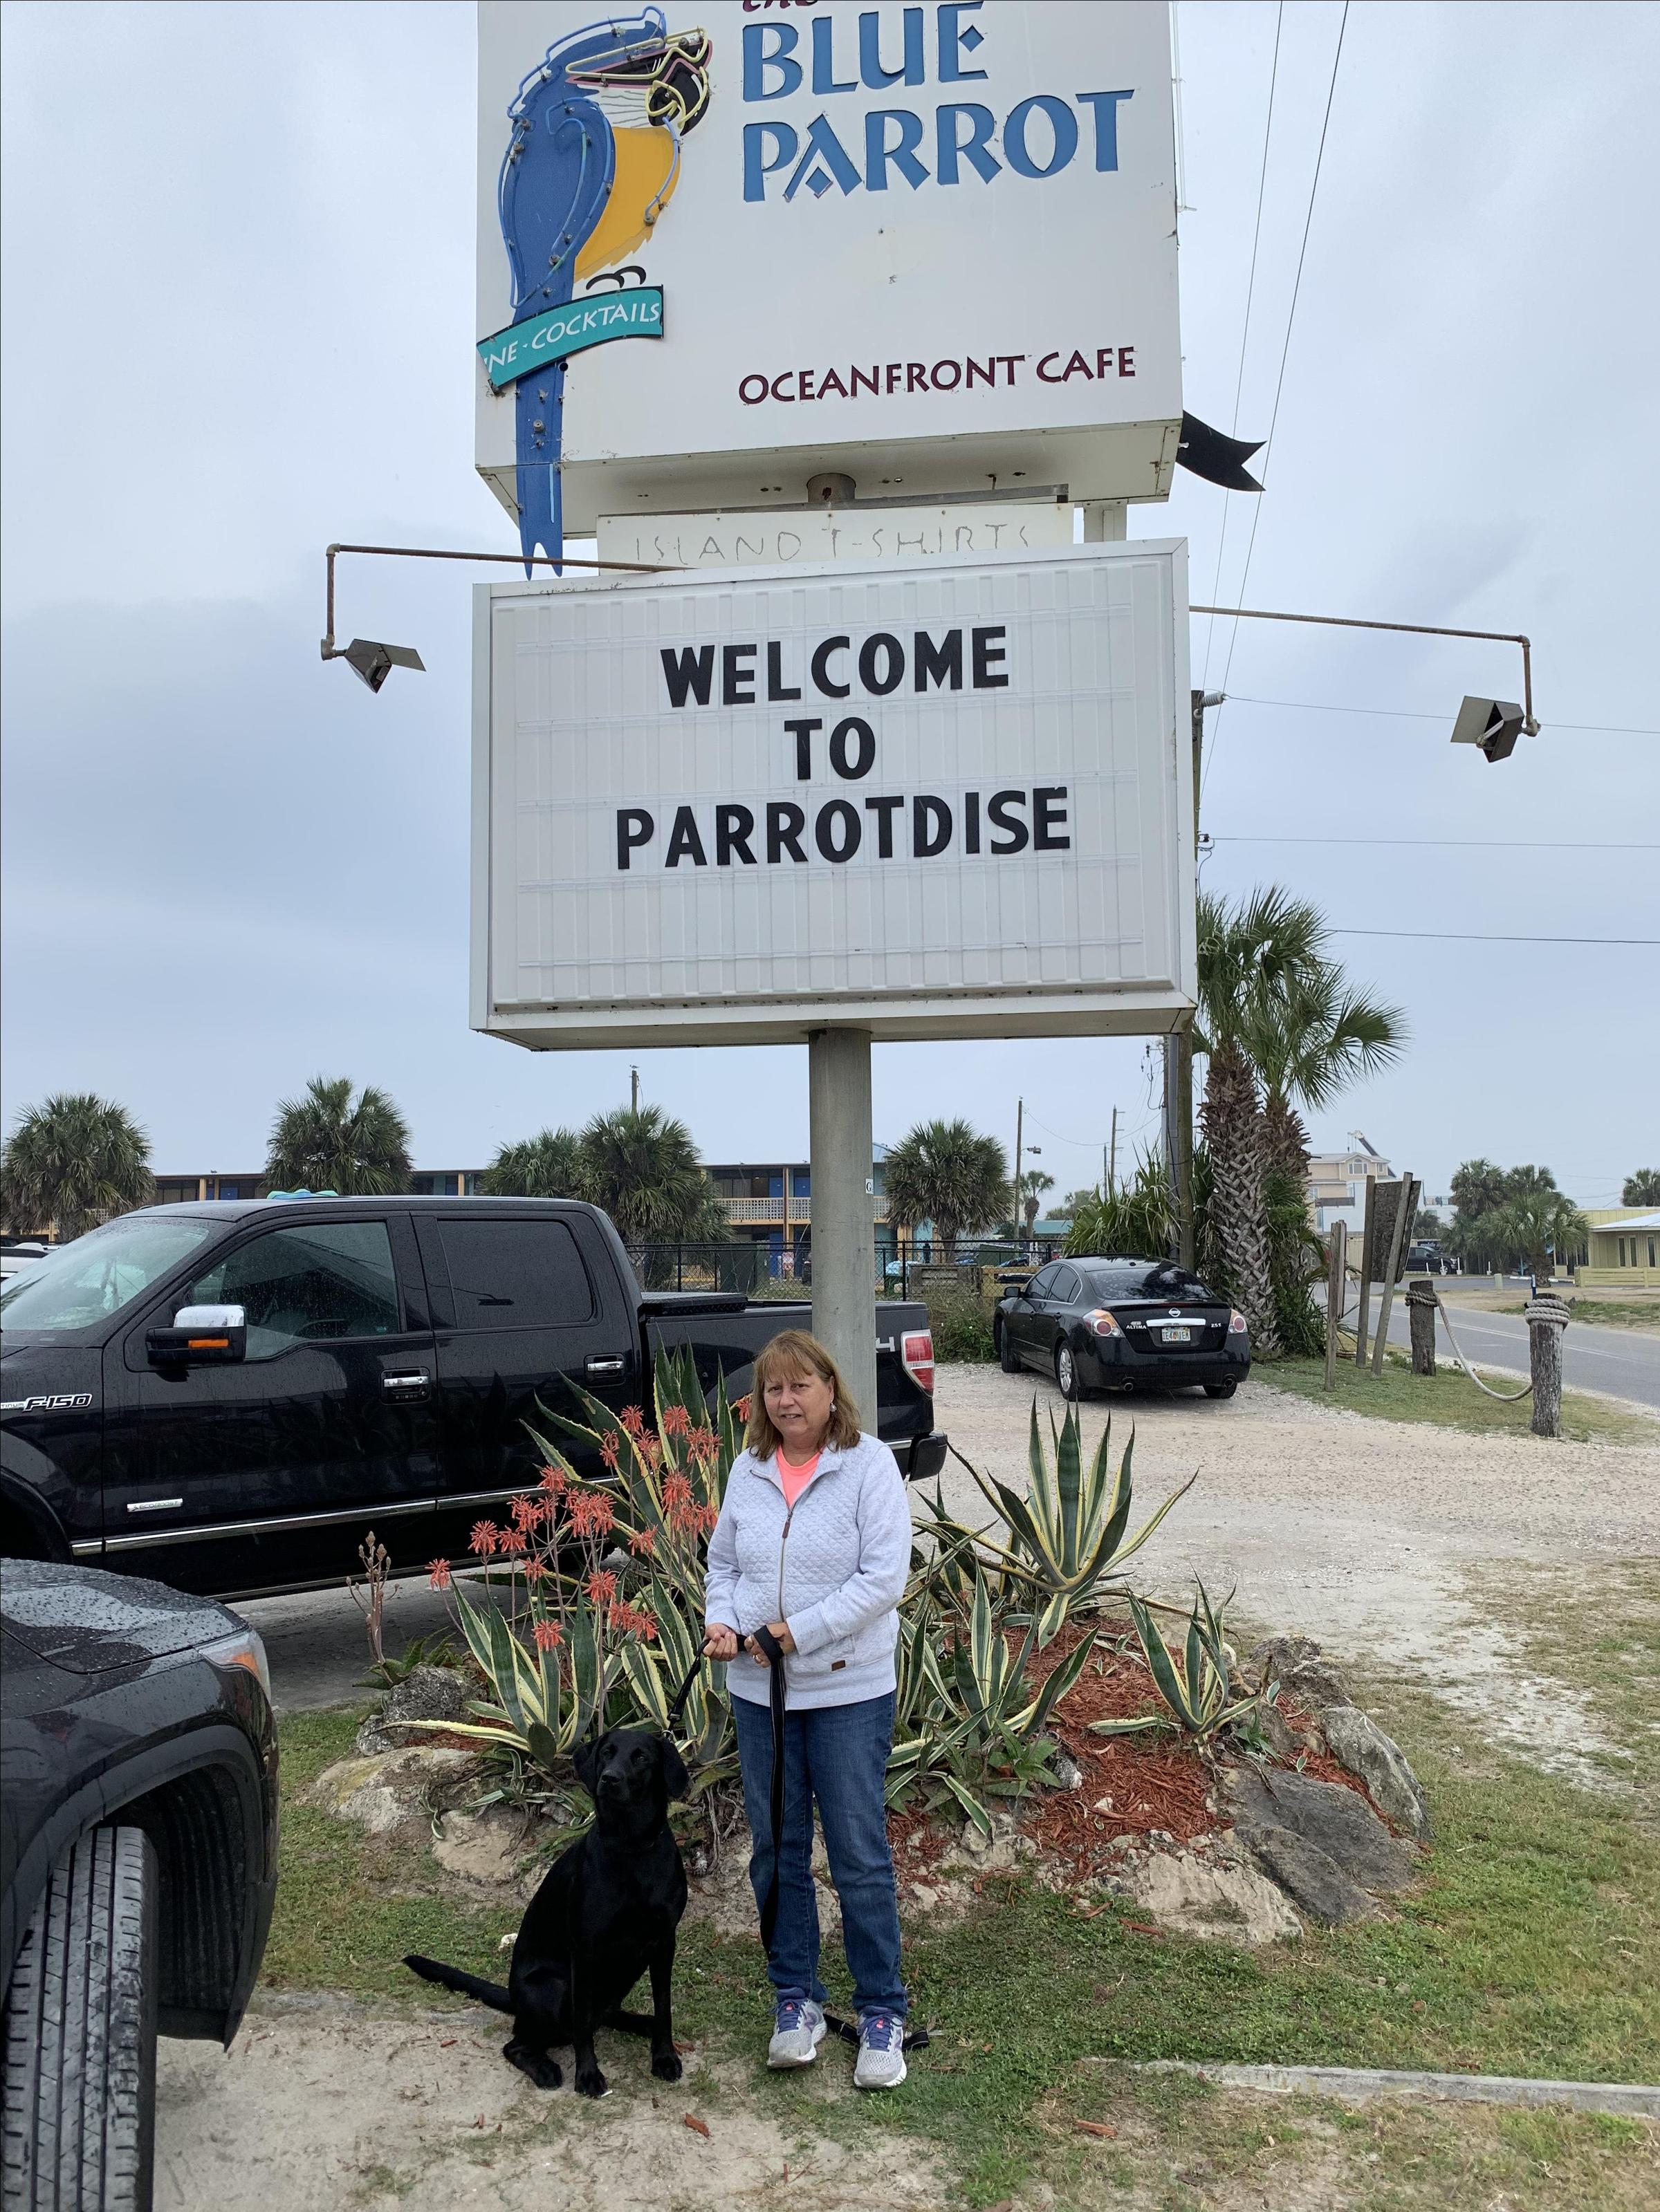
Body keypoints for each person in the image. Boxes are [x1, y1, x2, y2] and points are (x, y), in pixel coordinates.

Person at [702, 1329, 912, 2090]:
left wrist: (799, 1633)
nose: (787, 1401)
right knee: (776, 1850)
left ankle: (883, 2010)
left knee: (858, 1854)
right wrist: (720, 1623)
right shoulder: (748, 1467)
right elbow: (723, 1564)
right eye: (774, 1389)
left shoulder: (870, 1466)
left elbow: (883, 1578)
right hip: (760, 1695)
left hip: (848, 1691)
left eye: (801, 1386)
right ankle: (797, 2001)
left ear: (831, 1389)